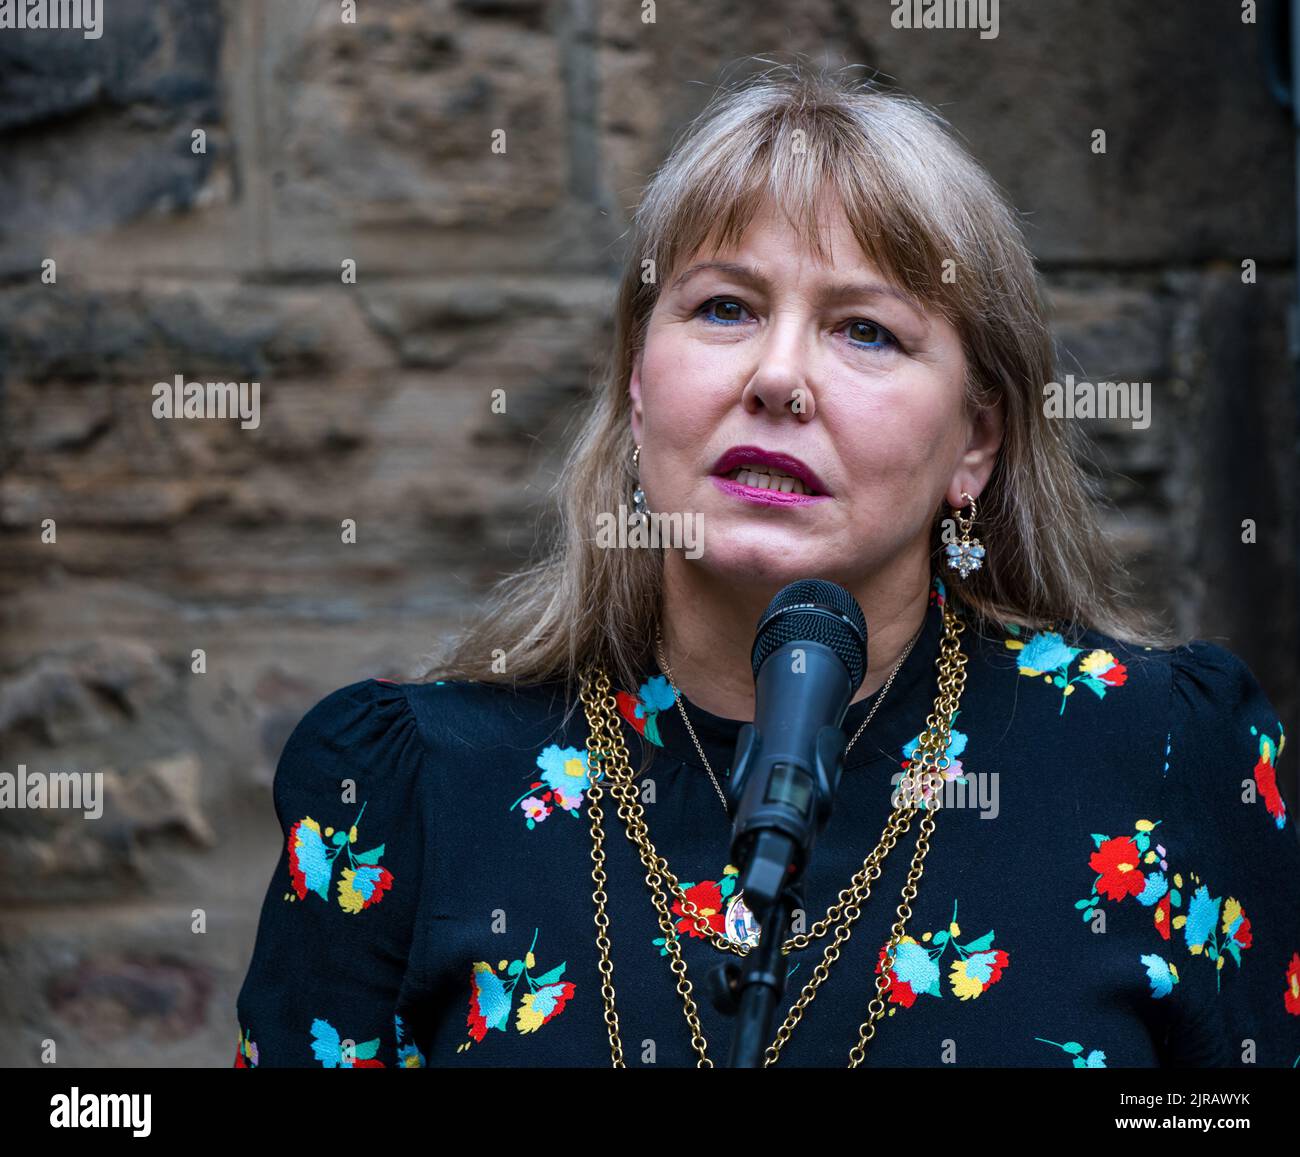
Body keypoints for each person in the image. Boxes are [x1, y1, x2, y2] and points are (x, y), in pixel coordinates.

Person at [232, 61, 1300, 1069]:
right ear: (640, 388)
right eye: (724, 308)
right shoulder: (402, 786)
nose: (778, 375)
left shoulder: (1159, 757)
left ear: (974, 442)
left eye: (866, 331)